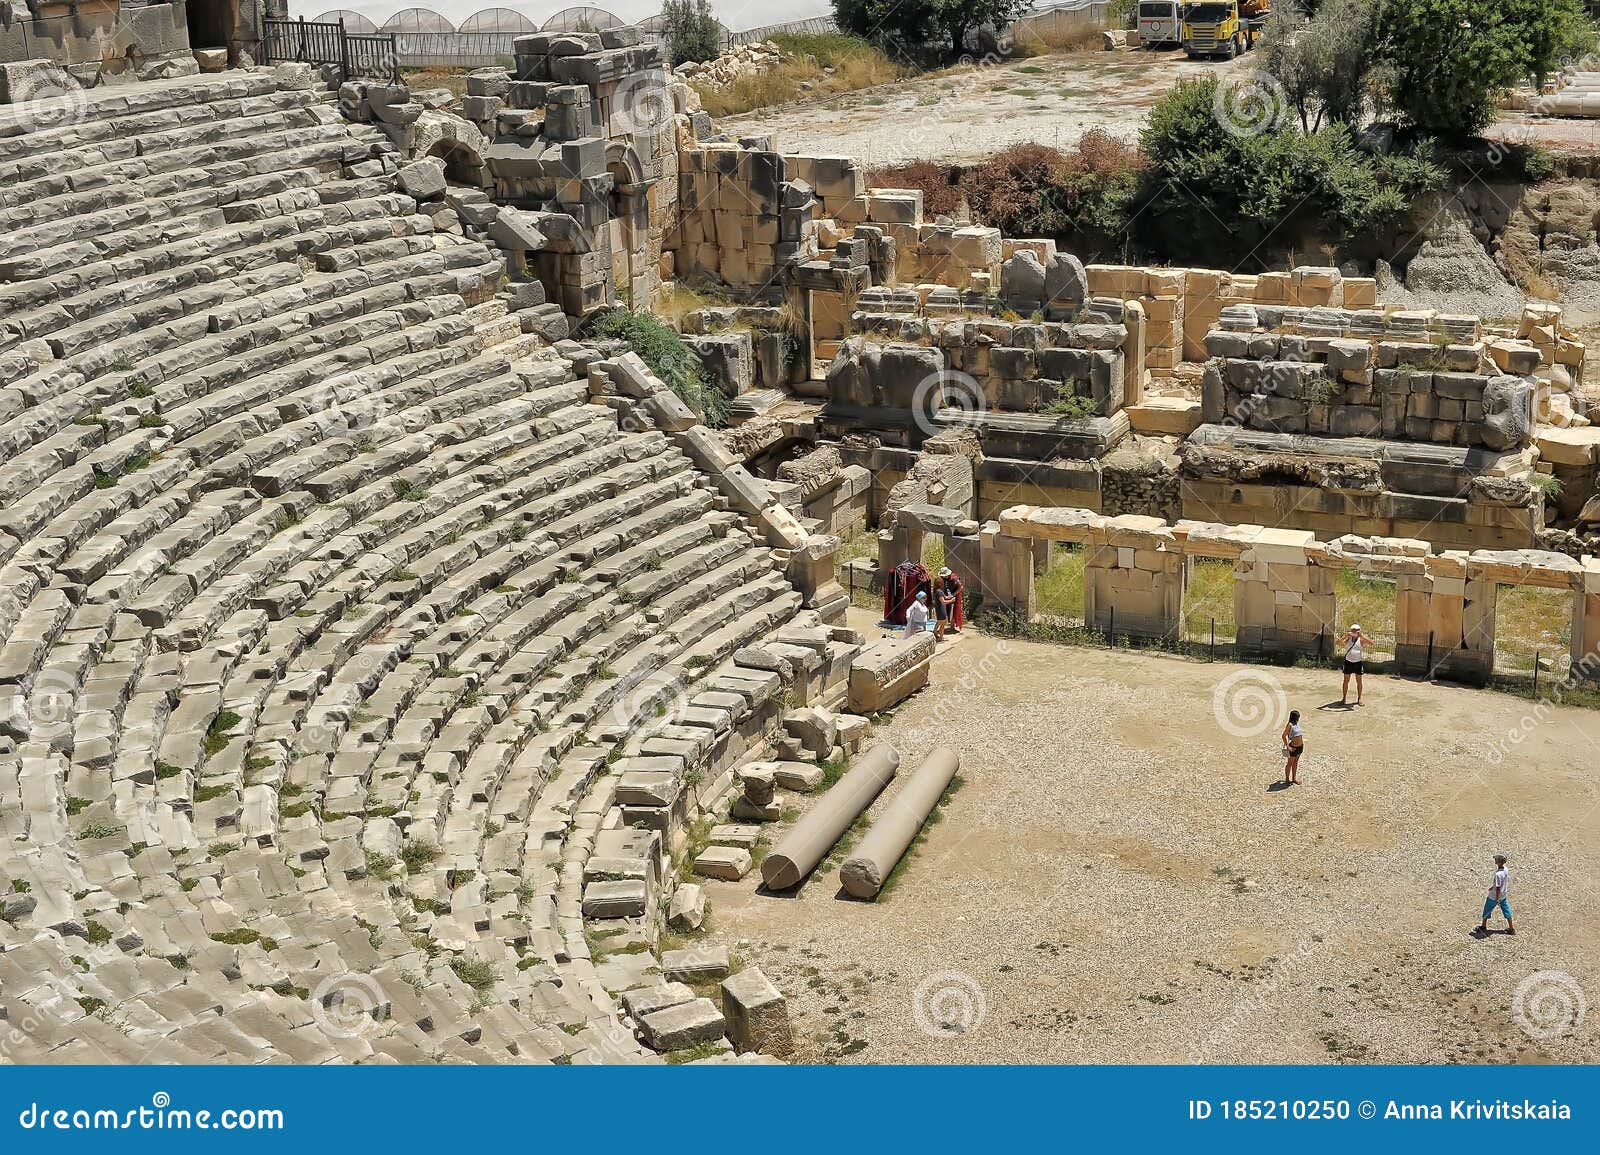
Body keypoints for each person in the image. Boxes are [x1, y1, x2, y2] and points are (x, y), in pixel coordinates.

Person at [1480, 854, 1515, 935]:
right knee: (1506, 910)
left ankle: (1483, 926)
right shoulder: (1506, 869)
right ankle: (1511, 928)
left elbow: (1498, 887)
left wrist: (1497, 898)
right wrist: (1493, 886)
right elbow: (1502, 882)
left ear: (1499, 862)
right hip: (1504, 895)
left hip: (1494, 896)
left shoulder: (1498, 874)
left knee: (1487, 909)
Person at [1338, 623, 1368, 705]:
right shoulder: (1348, 639)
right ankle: (1344, 698)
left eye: (1356, 630)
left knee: (1359, 681)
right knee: (1346, 681)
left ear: (1359, 631)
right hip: (1348, 662)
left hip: (1358, 662)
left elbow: (1371, 643)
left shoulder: (1361, 639)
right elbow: (1337, 642)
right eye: (1353, 630)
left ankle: (1359, 698)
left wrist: (1362, 636)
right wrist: (1345, 636)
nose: (1354, 632)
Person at [1280, 709, 1305, 785]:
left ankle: (1294, 778)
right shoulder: (1290, 725)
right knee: (1290, 764)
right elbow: (1283, 735)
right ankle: (1287, 779)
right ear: (1295, 717)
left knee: (1295, 763)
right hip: (1293, 747)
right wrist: (1288, 747)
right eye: (1298, 717)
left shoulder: (1296, 724)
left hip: (1300, 747)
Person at [934, 572, 958, 640]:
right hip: (941, 609)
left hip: (941, 609)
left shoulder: (939, 591)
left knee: (939, 622)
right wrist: (951, 601)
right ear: (939, 583)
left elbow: (945, 597)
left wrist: (951, 597)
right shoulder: (939, 591)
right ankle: (941, 637)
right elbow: (943, 601)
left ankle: (935, 632)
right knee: (942, 623)